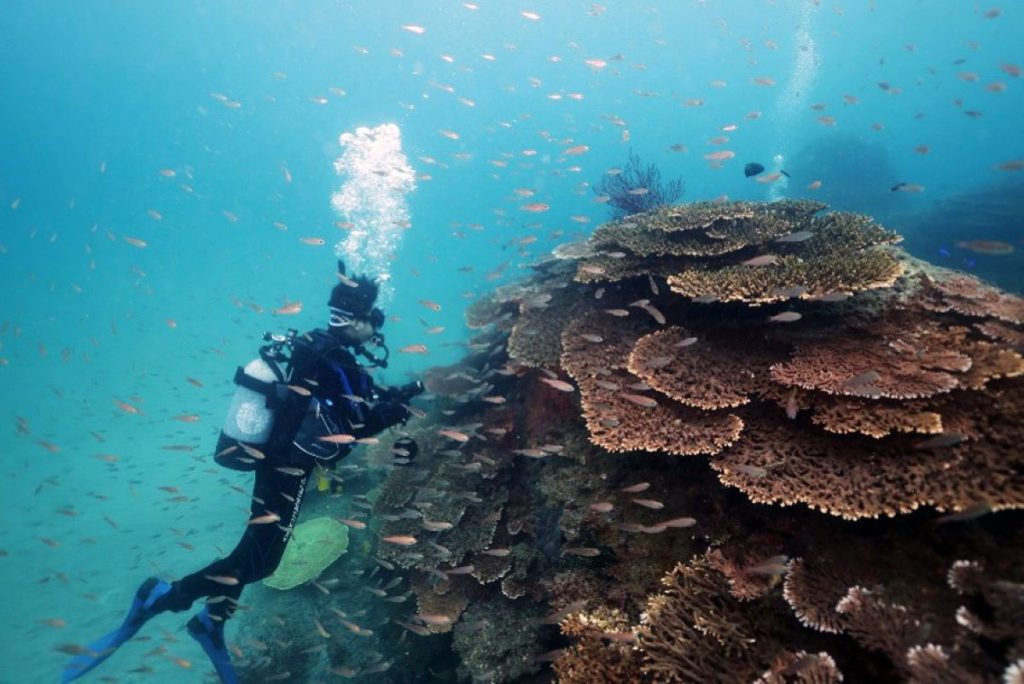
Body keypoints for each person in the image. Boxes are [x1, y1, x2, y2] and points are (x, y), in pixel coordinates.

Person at [62, 262, 424, 683]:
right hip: (284, 468)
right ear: (357, 319)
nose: (378, 326)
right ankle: (161, 597)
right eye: (374, 317)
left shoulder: (330, 353)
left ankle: (212, 623)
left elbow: (356, 404)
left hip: (290, 466)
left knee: (251, 553)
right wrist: (391, 412)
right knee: (258, 563)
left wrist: (400, 397)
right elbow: (352, 426)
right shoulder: (327, 357)